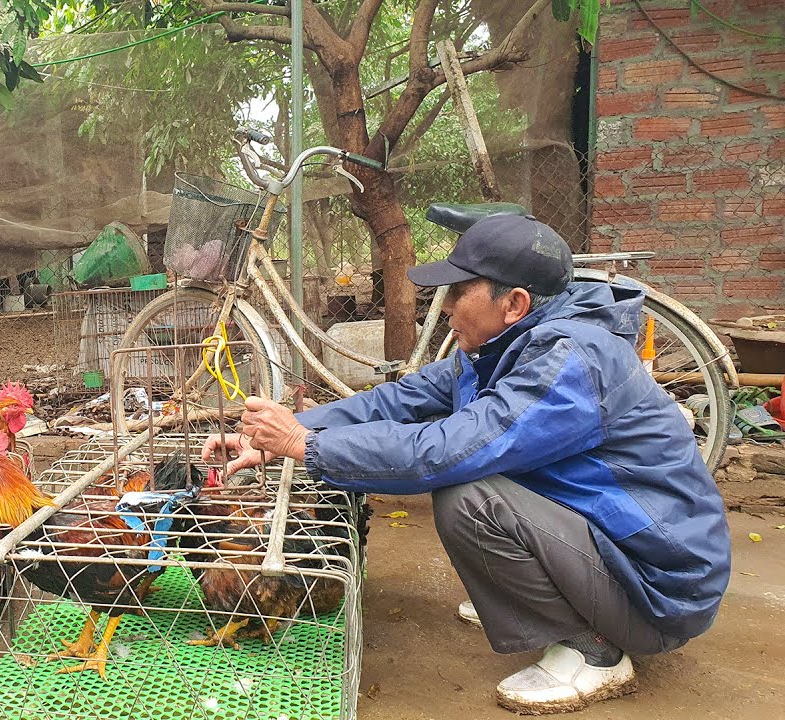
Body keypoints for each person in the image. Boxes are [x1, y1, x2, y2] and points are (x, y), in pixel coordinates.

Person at [203, 214, 731, 714]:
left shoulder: (572, 361)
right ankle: (538, 599)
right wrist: (281, 436)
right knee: (476, 479)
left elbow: (443, 450)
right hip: (620, 551)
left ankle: (594, 649)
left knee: (468, 497)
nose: (446, 306)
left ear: (515, 303)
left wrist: (308, 445)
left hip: (659, 588)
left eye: (458, 292)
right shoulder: (502, 347)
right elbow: (399, 400)